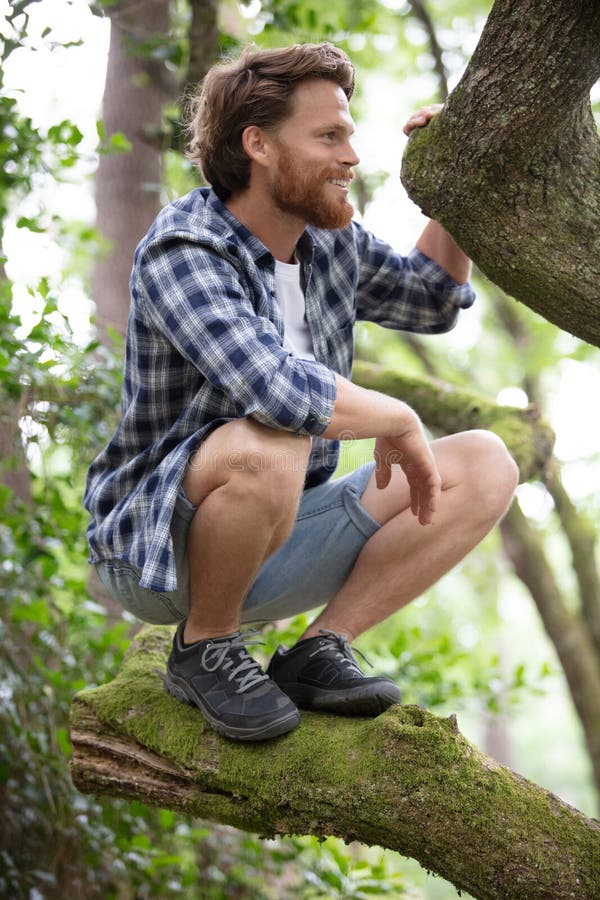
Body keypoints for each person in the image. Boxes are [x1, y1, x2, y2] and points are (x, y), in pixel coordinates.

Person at [84, 42, 519, 743]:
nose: (352, 155)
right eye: (329, 136)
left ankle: (318, 650)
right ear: (257, 143)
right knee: (273, 438)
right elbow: (273, 390)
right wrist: (397, 416)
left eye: (348, 135)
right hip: (154, 549)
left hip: (274, 535)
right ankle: (205, 648)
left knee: (487, 462)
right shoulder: (186, 246)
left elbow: (434, 298)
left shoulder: (327, 241)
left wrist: (454, 183)